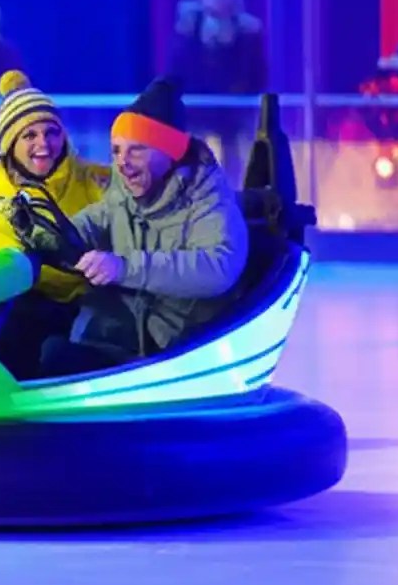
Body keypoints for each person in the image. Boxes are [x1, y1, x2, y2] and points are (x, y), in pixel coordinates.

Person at [39, 77, 249, 376]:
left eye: (136, 150)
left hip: (181, 351)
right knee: (38, 336)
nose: (122, 162)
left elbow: (219, 267)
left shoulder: (207, 198)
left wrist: (125, 268)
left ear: (170, 152)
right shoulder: (125, 188)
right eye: (116, 151)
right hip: (124, 334)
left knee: (57, 357)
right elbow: (98, 217)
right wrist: (48, 235)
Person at [0, 70, 110, 377]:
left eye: (51, 132)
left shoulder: (100, 182)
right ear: (10, 145)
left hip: (102, 299)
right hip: (37, 302)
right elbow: (13, 273)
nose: (43, 143)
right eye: (29, 135)